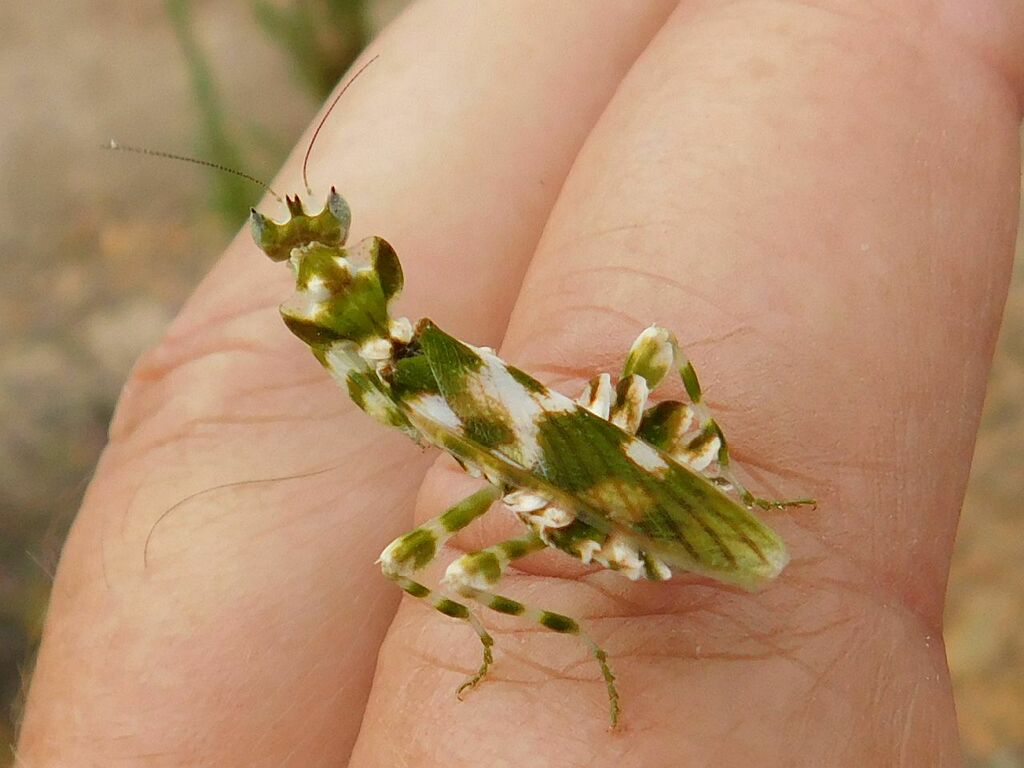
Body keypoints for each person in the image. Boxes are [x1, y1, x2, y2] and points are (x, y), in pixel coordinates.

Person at [16, 2, 1023, 765]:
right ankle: (718, 521)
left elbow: (375, 390)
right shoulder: (410, 343)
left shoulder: (383, 372)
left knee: (419, 565)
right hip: (573, 467)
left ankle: (623, 593)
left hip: (559, 480)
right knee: (652, 350)